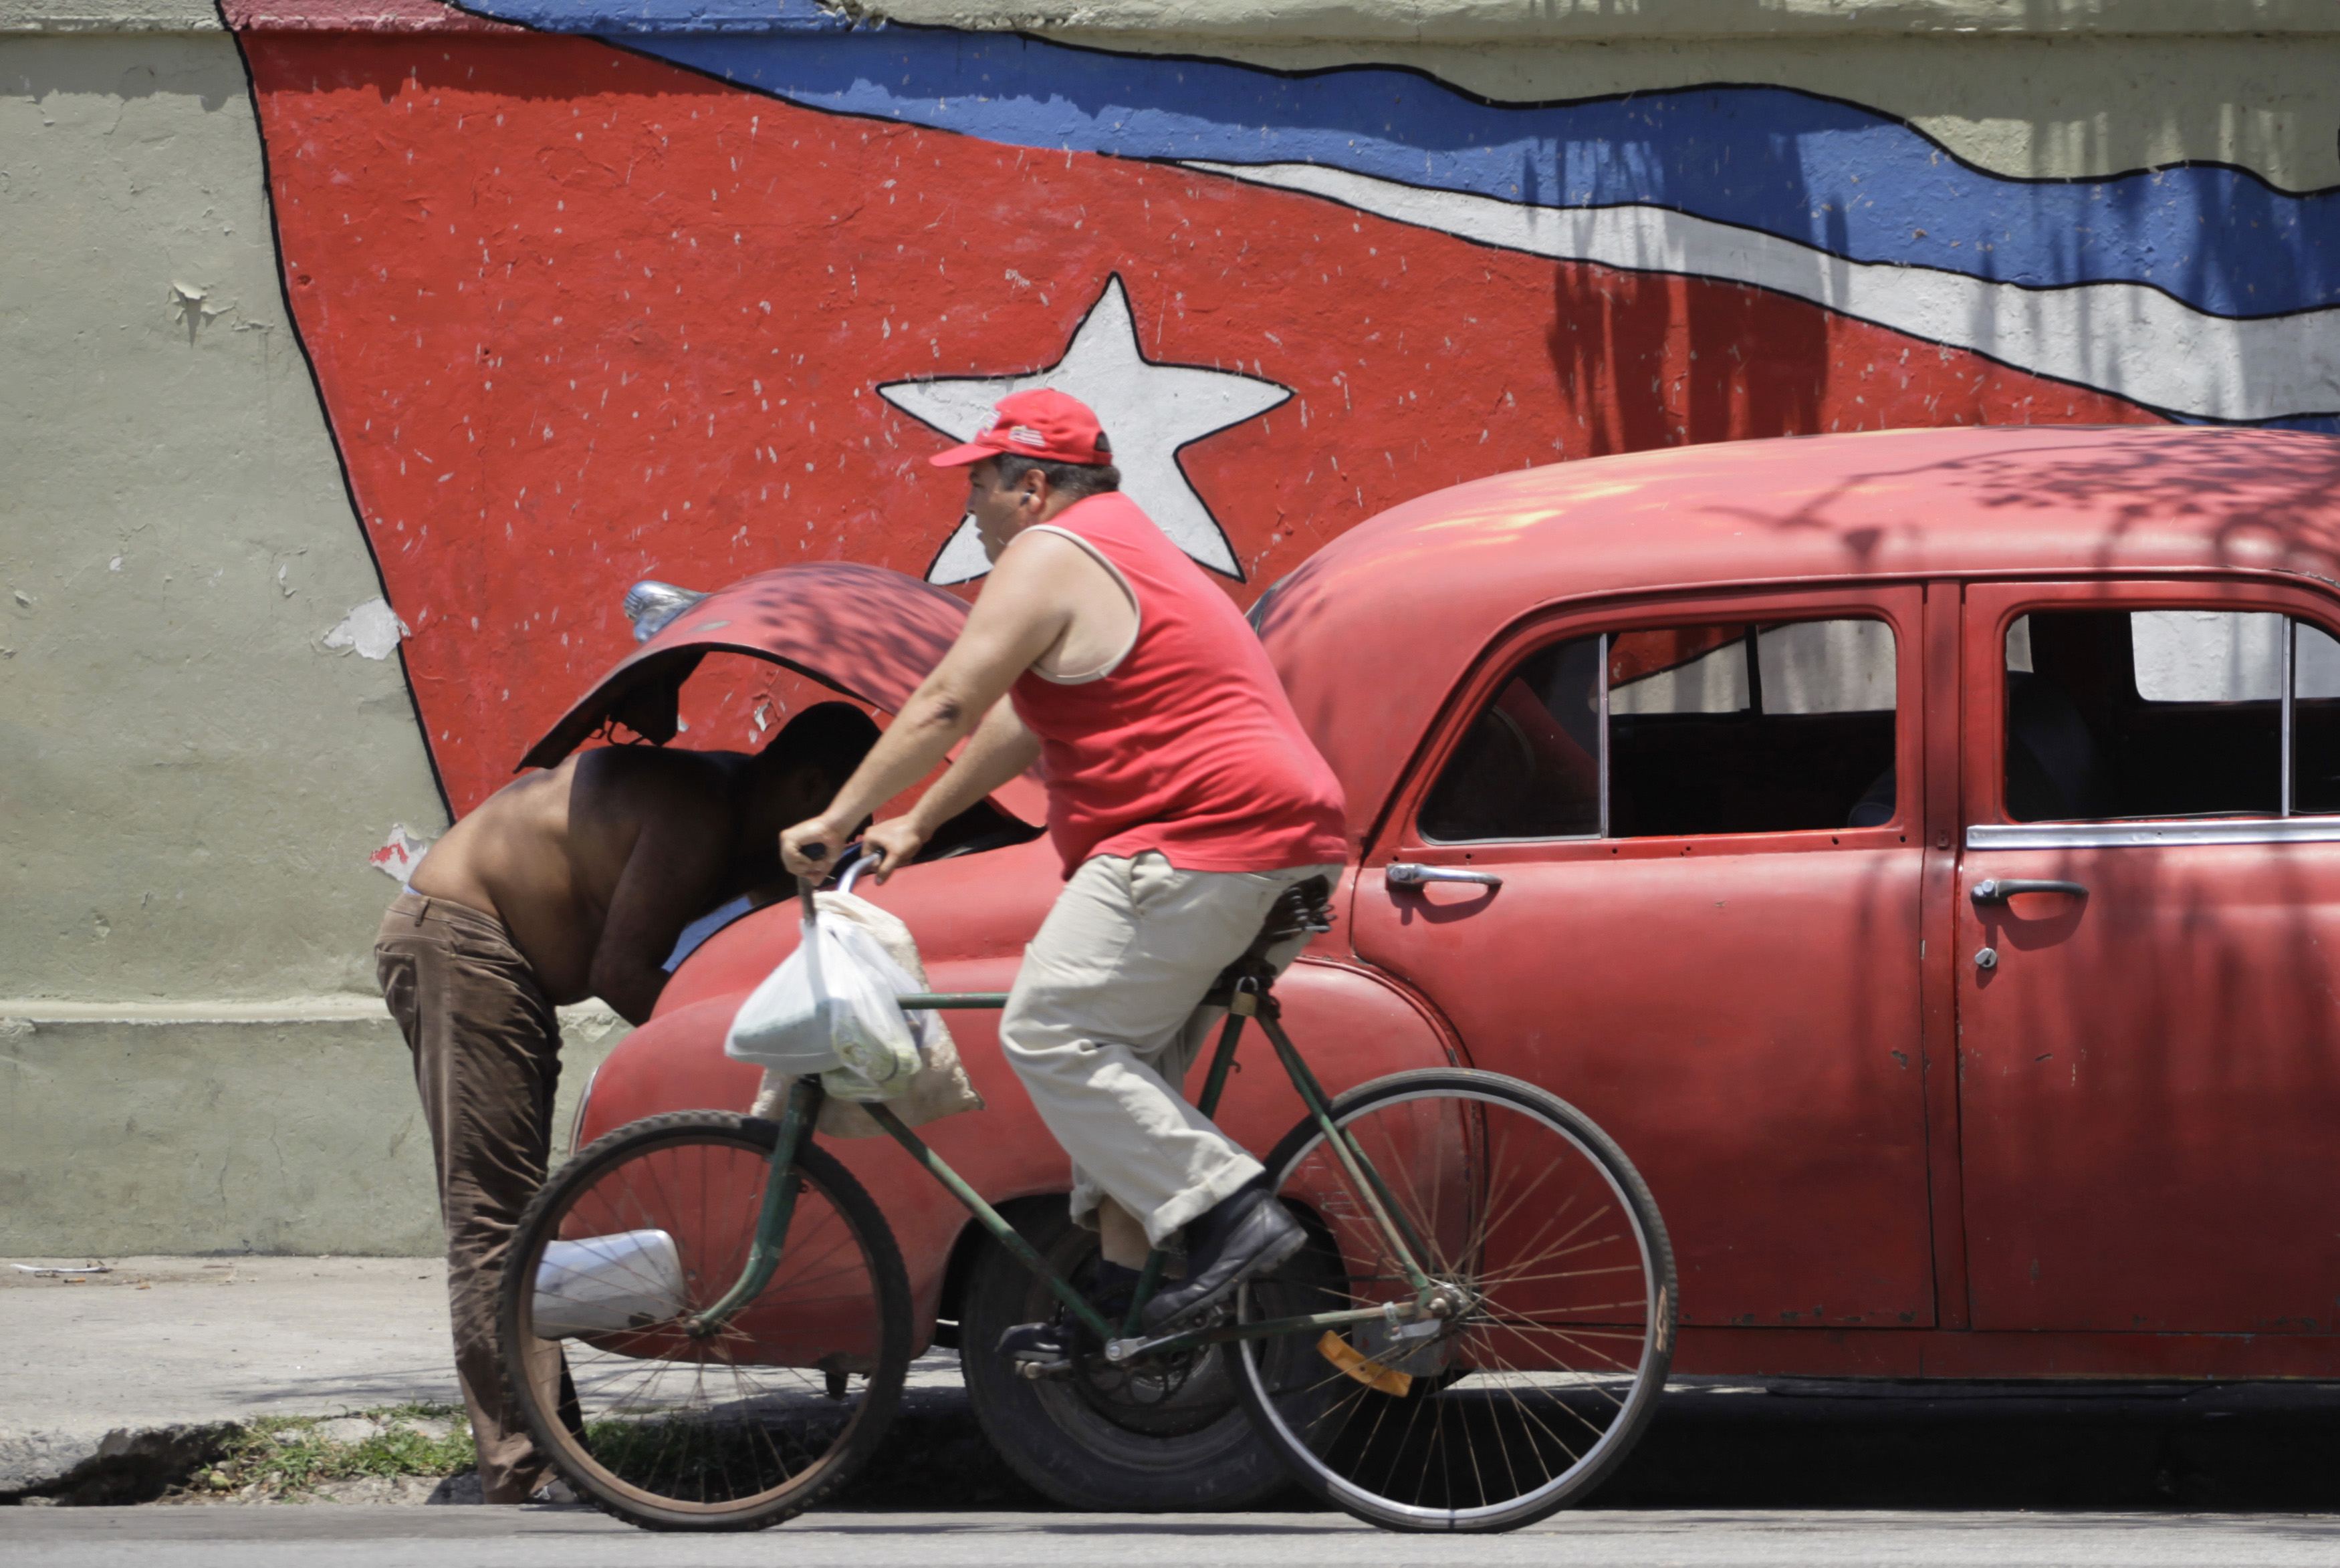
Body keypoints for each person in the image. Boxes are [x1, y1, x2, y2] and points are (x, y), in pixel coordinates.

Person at [780, 388, 1347, 1355]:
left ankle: (1231, 1210)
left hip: (1199, 838)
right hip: (1277, 842)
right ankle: (1122, 1308)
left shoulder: (1051, 551)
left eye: (978, 487)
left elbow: (950, 701)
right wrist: (917, 820)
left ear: (1032, 487)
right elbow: (1019, 718)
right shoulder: (1127, 546)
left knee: (1050, 1032)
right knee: (1120, 1068)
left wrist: (838, 817)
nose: (970, 510)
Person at [375, 702, 878, 1501]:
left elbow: (773, 950)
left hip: (508, 962)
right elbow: (622, 972)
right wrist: (725, 1060)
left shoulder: (754, 835)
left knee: (522, 1215)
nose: (849, 837)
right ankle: (525, 1467)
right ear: (813, 787)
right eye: (855, 815)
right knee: (496, 1218)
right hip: (461, 942)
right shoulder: (697, 812)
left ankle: (549, 1449)